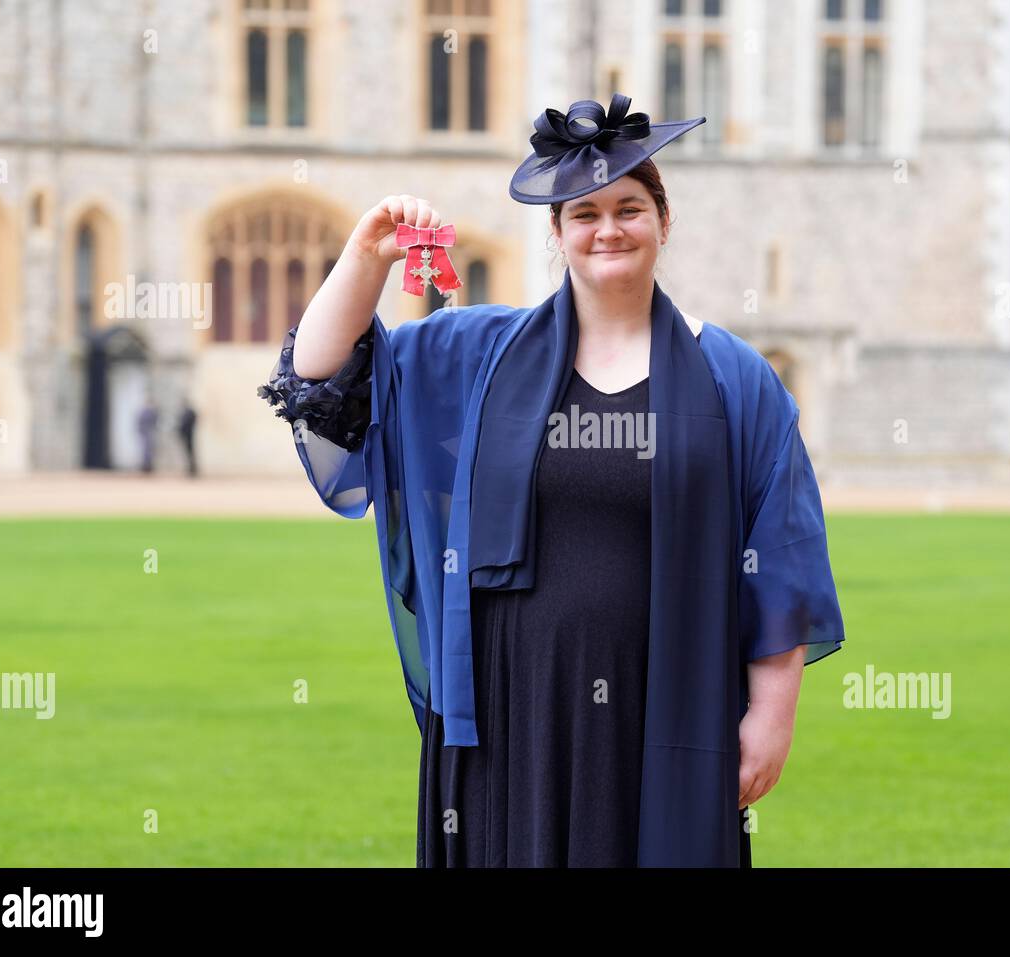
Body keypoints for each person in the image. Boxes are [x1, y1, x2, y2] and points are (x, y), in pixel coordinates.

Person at [257, 94, 845, 867]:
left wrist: (771, 718)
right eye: (585, 213)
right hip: (510, 707)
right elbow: (321, 380)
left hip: (668, 700)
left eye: (630, 208)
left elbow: (783, 555)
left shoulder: (731, 376)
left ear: (664, 224)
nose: (609, 228)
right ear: (557, 235)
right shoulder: (478, 356)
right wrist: (366, 255)